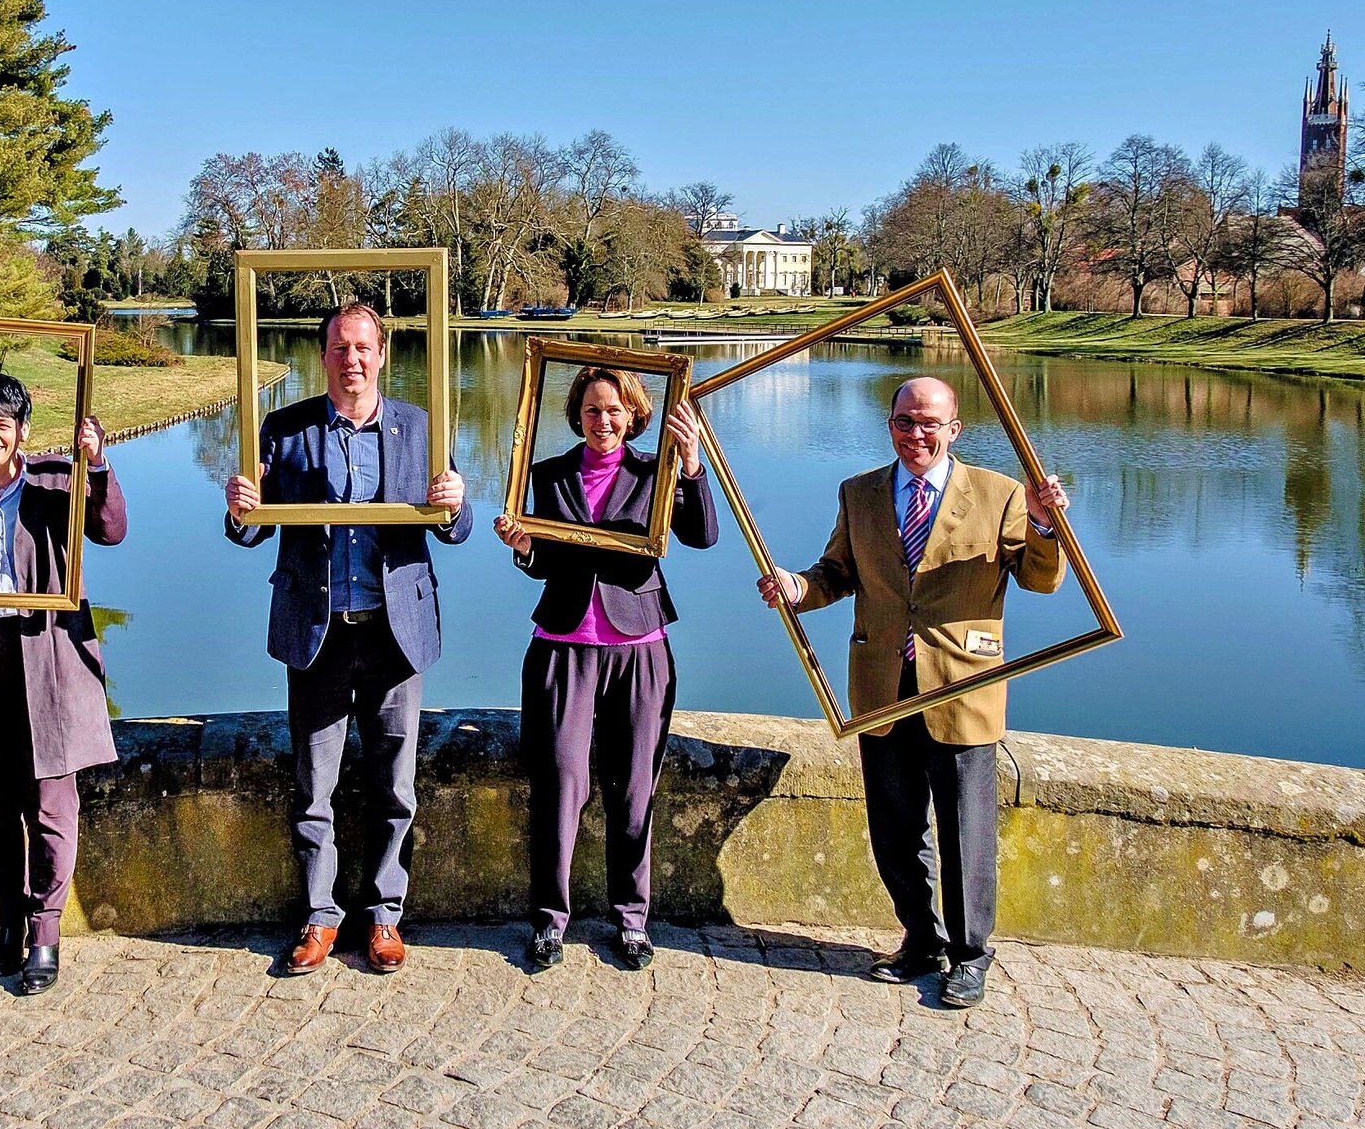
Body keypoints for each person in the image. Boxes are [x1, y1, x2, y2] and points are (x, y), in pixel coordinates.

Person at [756, 376, 1067, 1009]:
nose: (915, 434)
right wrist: (796, 588)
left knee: (964, 833)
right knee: (895, 829)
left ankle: (971, 955)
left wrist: (1043, 524)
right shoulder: (859, 493)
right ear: (890, 423)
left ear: (955, 428)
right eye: (904, 422)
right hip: (882, 686)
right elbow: (836, 574)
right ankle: (920, 940)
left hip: (962, 687)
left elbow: (1041, 581)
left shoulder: (1003, 494)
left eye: (929, 423)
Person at [225, 301, 473, 975]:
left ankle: (386, 916)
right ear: (324, 355)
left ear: (383, 353)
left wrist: (456, 498)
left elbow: (455, 526)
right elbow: (250, 530)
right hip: (318, 632)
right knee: (314, 786)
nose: (351, 359)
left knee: (395, 784)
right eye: (339, 347)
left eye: (363, 346)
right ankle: (319, 915)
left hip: (396, 633)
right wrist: (240, 505)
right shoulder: (285, 427)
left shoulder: (421, 425)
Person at [493, 367, 719, 971]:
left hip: (639, 644)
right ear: (577, 416)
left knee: (634, 787)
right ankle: (548, 922)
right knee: (560, 784)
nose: (603, 421)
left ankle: (632, 921)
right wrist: (523, 548)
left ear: (635, 413)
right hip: (563, 645)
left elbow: (702, 535)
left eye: (615, 410)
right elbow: (544, 562)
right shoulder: (546, 475)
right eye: (593, 410)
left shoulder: (657, 471)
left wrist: (692, 464)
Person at [0, 374, 126, 997]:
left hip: (50, 655)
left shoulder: (53, 482)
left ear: (23, 432)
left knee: (50, 803)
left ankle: (45, 931)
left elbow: (110, 529)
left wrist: (96, 465)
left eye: (3, 426)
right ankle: (9, 916)